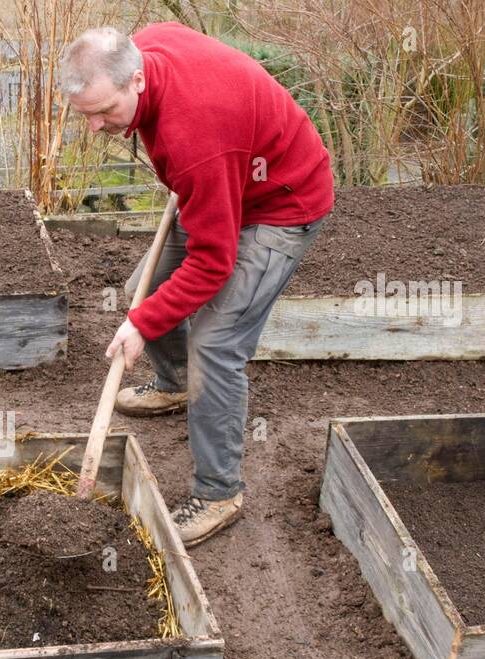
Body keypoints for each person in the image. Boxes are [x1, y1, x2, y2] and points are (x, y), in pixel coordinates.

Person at [61, 22, 334, 546]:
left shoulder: (198, 139)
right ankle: (175, 384)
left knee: (215, 342)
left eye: (103, 113)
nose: (95, 126)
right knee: (144, 285)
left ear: (137, 81)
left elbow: (213, 263)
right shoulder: (150, 41)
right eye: (85, 114)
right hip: (221, 182)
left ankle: (218, 493)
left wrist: (141, 326)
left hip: (280, 205)